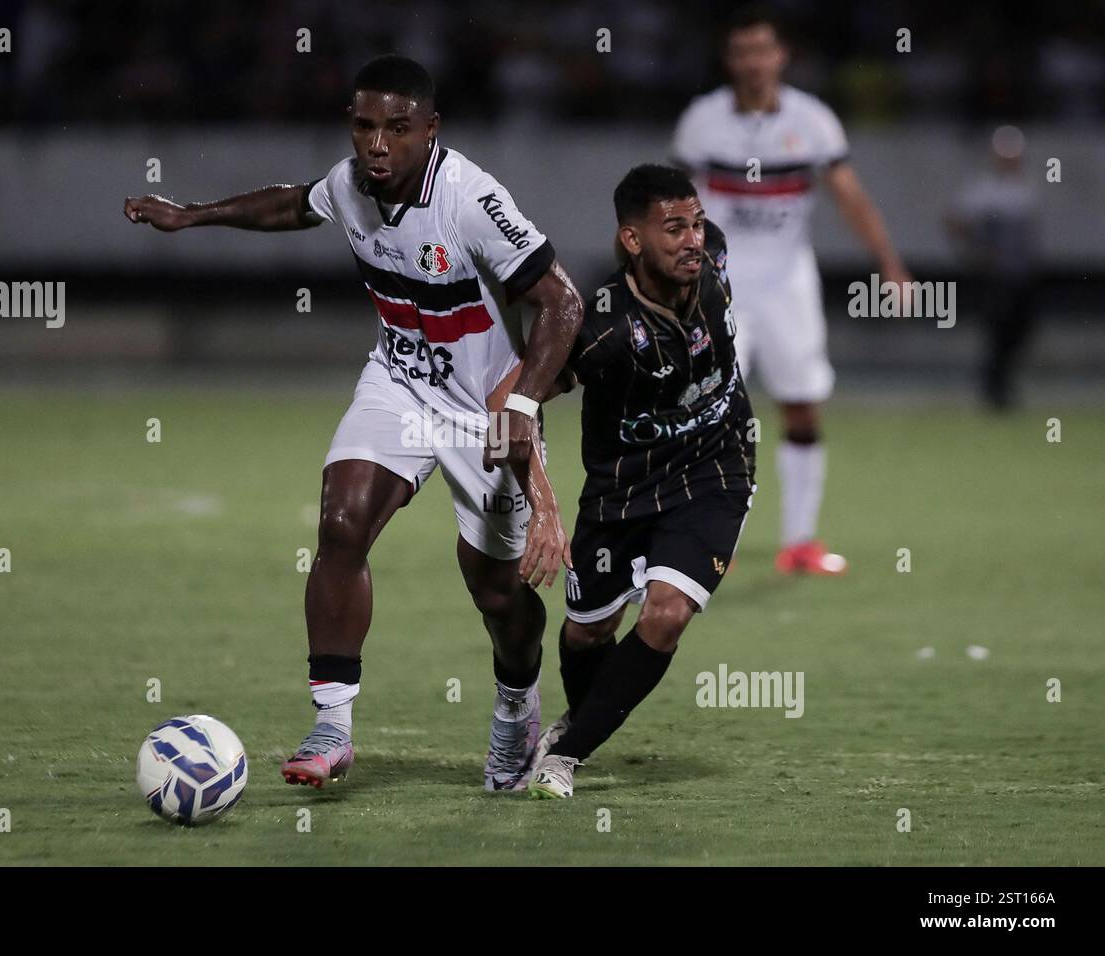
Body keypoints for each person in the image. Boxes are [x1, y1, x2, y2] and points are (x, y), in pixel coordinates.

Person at [124, 55, 584, 792]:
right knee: (341, 523)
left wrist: (523, 407)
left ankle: (515, 707)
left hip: (484, 409)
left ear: (429, 131)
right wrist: (194, 215)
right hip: (399, 383)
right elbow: (294, 203)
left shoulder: (471, 200)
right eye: (365, 125)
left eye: (397, 129)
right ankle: (332, 726)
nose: (377, 143)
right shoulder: (351, 183)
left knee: (495, 587)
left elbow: (563, 303)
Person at [528, 165, 755, 799]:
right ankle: (585, 719)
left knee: (666, 613)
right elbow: (520, 402)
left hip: (717, 466)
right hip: (621, 489)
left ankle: (564, 754)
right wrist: (539, 503)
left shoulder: (716, 267)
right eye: (674, 228)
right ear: (632, 240)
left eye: (698, 224)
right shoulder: (596, 329)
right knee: (587, 630)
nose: (694, 240)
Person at [671, 4, 912, 575]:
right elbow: (672, 205)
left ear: (781, 56)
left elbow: (849, 196)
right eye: (742, 51)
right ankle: (689, 534)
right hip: (717, 285)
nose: (753, 62)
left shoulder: (813, 121)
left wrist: (890, 265)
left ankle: (800, 541)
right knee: (707, 407)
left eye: (763, 50)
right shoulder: (703, 121)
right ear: (730, 60)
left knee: (801, 406)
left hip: (788, 284)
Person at [944, 125, 1039, 410]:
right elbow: (954, 220)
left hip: (1021, 273)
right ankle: (994, 389)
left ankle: (1002, 383)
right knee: (997, 330)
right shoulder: (984, 189)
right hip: (995, 276)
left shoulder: (1025, 187)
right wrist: (977, 253)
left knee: (1020, 329)